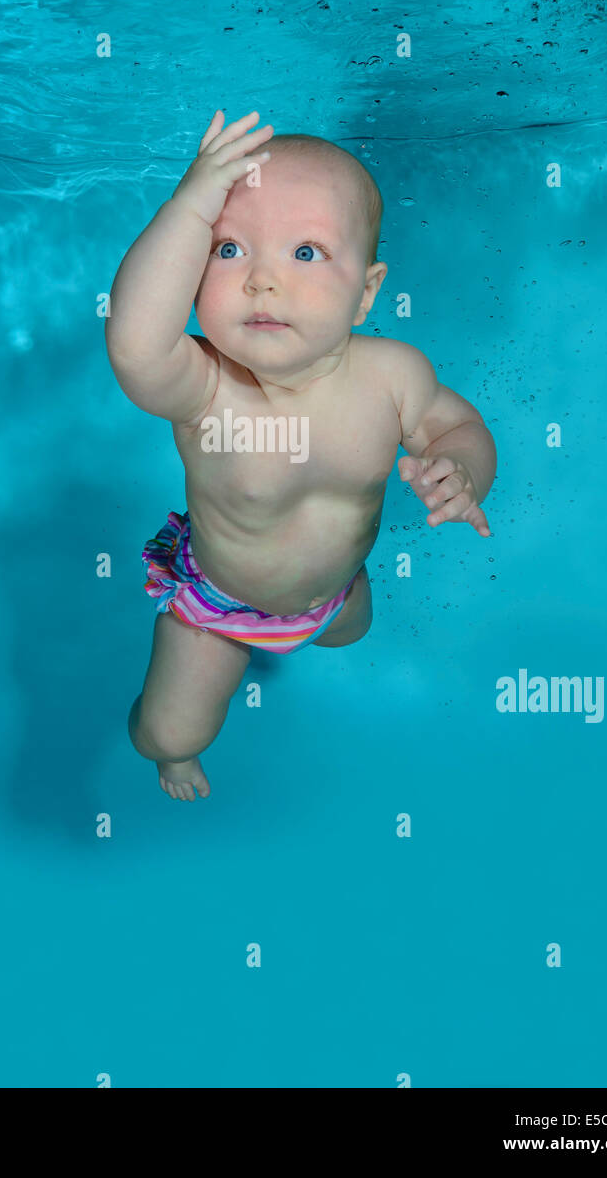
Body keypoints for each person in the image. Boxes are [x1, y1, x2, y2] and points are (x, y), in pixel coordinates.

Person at [106, 111, 496, 800]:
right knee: (173, 731)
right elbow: (135, 342)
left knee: (347, 630)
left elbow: (457, 427)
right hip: (223, 603)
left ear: (366, 292)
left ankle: (316, 620)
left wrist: (461, 470)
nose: (261, 280)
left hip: (335, 587)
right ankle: (166, 754)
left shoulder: (392, 377)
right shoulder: (204, 387)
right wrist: (190, 204)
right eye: (227, 250)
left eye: (305, 253)